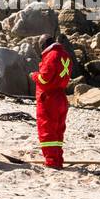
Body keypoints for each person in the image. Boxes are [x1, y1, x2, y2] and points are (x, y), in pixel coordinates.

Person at [31, 40, 72, 168]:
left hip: (48, 98)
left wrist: (34, 76)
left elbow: (44, 78)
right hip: (61, 96)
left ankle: (52, 161)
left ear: (43, 45)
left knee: (47, 129)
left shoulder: (51, 55)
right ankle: (58, 158)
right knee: (58, 129)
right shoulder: (65, 55)